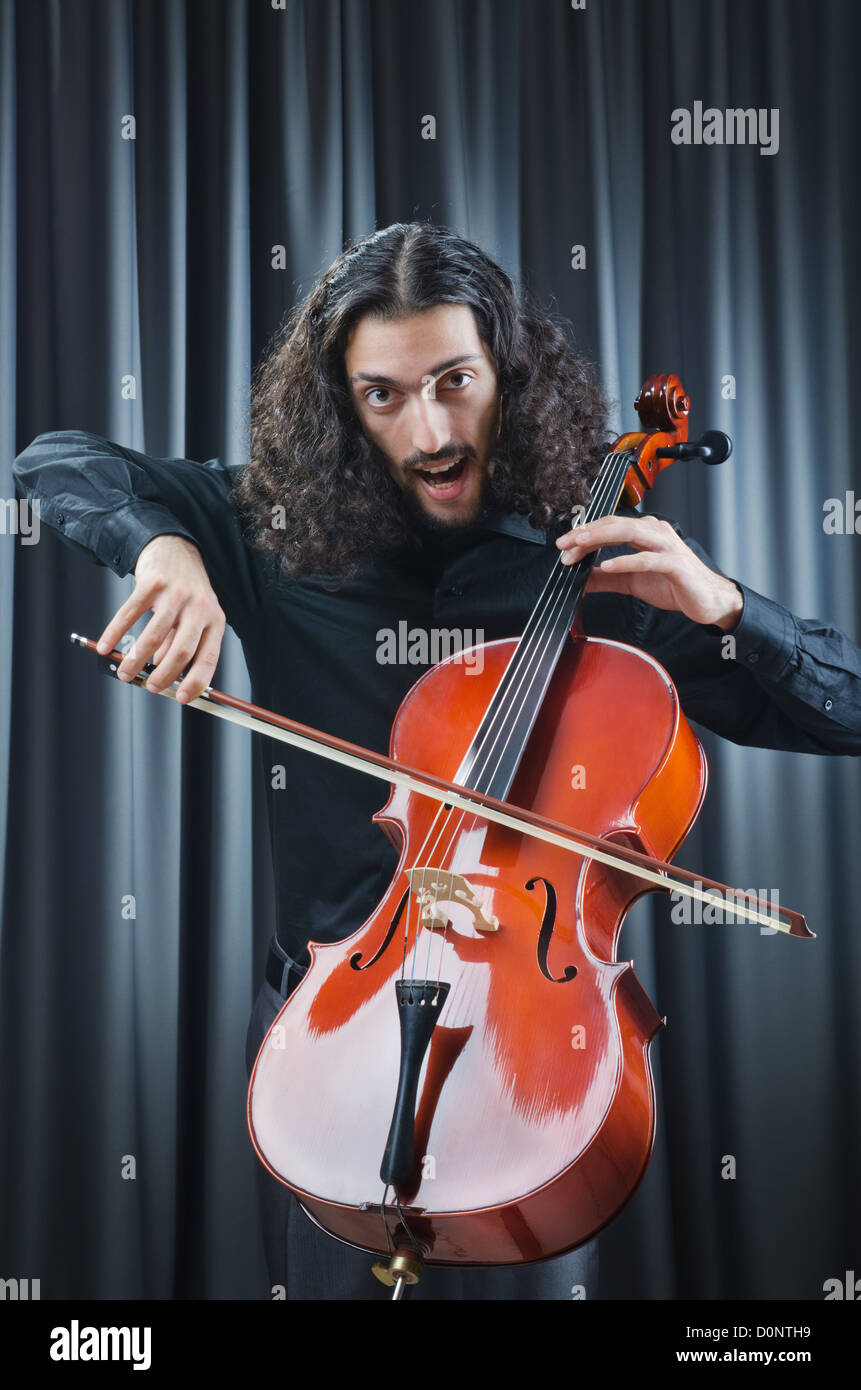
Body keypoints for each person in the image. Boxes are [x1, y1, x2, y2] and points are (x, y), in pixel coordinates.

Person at [13, 222, 861, 1301]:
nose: (430, 432)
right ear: (341, 404)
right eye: (383, 395)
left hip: (536, 1053)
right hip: (334, 1036)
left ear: (509, 371)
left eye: (455, 382)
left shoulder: (606, 567)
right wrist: (162, 544)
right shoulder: (275, 536)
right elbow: (54, 461)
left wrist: (730, 608)